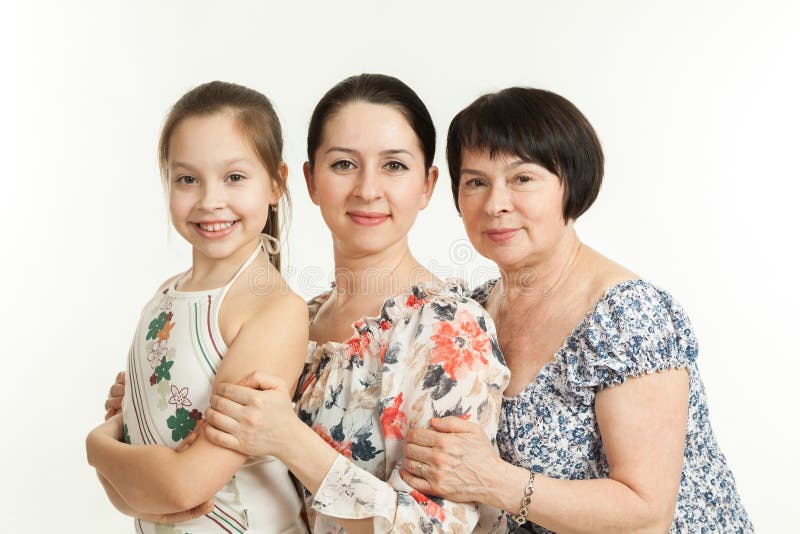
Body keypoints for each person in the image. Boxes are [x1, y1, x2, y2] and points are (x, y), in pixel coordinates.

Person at [104, 74, 510, 533]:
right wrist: (148, 409)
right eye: (343, 165)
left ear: (428, 185)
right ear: (309, 181)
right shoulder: (301, 319)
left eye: (394, 166)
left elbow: (438, 527)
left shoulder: (447, 329)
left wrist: (289, 438)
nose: (367, 189)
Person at [396, 87, 753, 532]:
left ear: (572, 183)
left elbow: (646, 515)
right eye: (475, 182)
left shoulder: (626, 316)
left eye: (523, 178)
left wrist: (493, 481)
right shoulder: (475, 311)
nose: (496, 203)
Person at [86, 81, 309, 533]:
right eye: (187, 178)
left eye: (234, 177)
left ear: (275, 182)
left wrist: (95, 447)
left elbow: (185, 486)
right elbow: (128, 492)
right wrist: (123, 467)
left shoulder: (275, 310)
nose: (210, 200)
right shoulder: (165, 297)